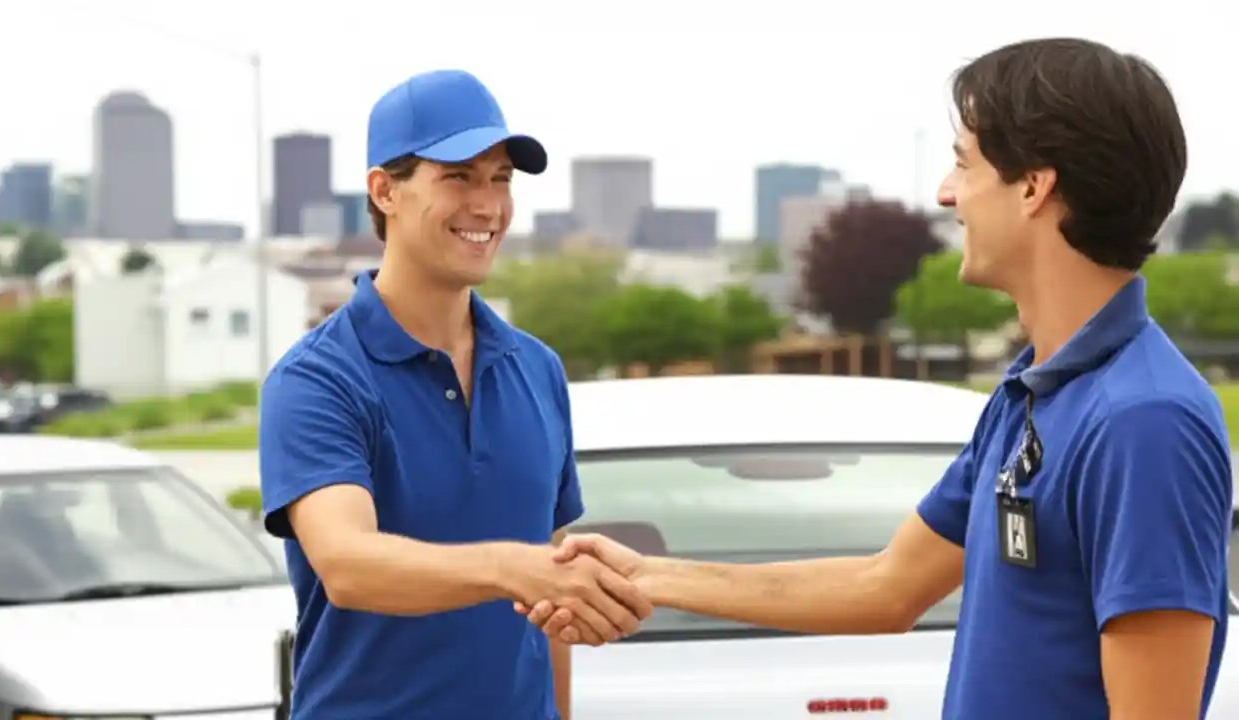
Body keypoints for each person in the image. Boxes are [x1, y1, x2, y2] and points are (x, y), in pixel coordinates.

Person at [520, 38, 1234, 720]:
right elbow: (888, 586)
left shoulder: (1145, 422)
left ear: (1034, 187)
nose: (946, 193)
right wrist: (648, 575)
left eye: (965, 164)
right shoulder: (1032, 395)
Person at [258, 68, 651, 720]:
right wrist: (508, 567)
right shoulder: (316, 380)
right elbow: (349, 566)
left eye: (501, 179)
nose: (488, 205)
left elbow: (550, 597)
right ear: (385, 191)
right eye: (459, 176)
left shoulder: (538, 369)